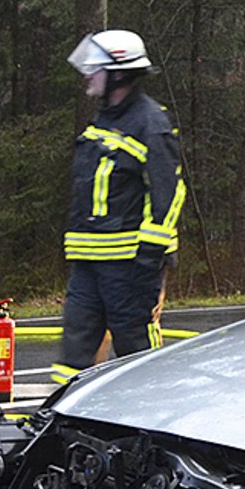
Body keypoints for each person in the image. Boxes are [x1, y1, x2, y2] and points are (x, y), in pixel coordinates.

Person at [53, 29, 185, 388]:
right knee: (75, 352)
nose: (87, 75)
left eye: (94, 68)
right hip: (89, 264)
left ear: (119, 74)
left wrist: (148, 258)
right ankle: (66, 424)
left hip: (129, 267)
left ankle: (148, 423)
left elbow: (169, 194)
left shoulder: (149, 123)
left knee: (135, 353)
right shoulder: (105, 118)